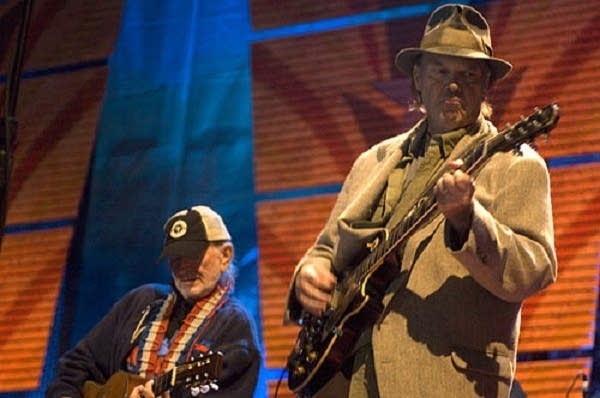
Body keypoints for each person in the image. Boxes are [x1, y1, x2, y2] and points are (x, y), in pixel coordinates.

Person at [285, 3, 557, 398]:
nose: (453, 84)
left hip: (444, 380)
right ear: (417, 77)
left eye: (468, 74)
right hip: (344, 375)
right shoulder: (372, 161)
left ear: (486, 85)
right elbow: (325, 251)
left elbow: (534, 271)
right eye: (440, 71)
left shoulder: (516, 165)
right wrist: (308, 273)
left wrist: (468, 219)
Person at [47, 205, 261, 398]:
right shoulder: (142, 300)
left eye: (193, 256)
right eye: (176, 257)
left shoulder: (236, 326)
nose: (183, 267)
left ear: (225, 255)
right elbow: (75, 366)